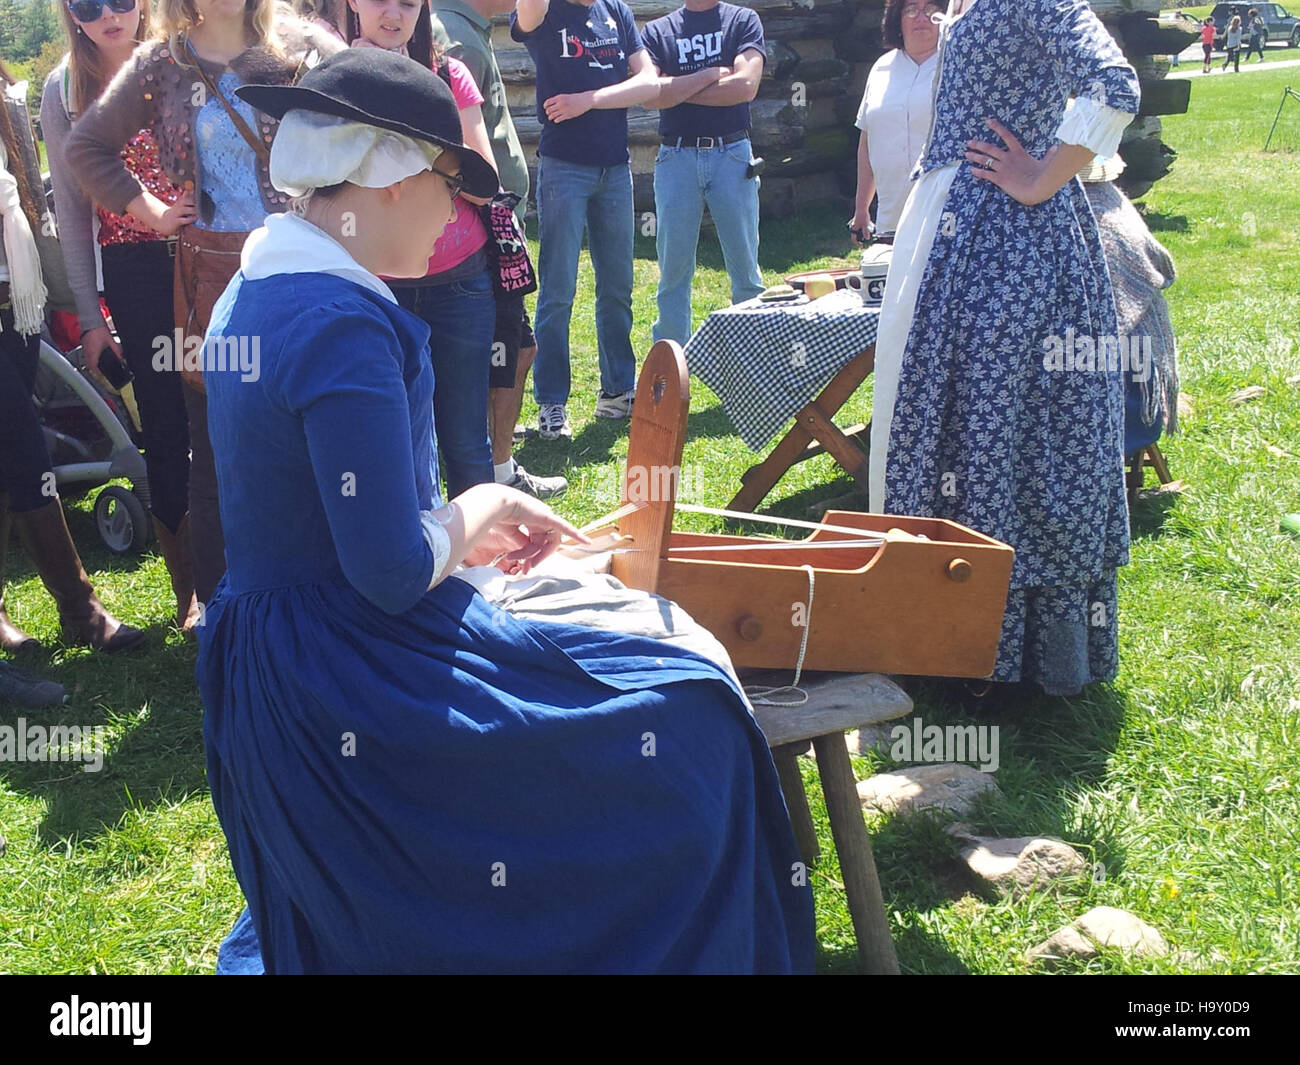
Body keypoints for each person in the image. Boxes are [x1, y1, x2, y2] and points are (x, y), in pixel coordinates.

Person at [198, 47, 814, 973]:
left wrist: (465, 526)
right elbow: (390, 572)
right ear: (394, 183)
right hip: (339, 671)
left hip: (271, 660)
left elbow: (332, 520)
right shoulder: (339, 326)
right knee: (688, 725)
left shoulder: (256, 290)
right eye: (451, 189)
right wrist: (483, 499)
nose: (457, 219)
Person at [868, 0, 1140, 699]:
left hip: (1007, 251)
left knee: (1001, 433)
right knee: (957, 433)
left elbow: (1115, 82)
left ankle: (1000, 658)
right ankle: (956, 640)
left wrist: (1043, 174)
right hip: (961, 241)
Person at [66, 0, 344, 610]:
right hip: (210, 280)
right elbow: (86, 148)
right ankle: (227, 616)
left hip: (304, 267)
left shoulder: (304, 47)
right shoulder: (159, 64)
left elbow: (364, 123)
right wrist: (155, 212)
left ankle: (318, 603)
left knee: (312, 435)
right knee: (215, 457)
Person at [42, 0, 201, 632]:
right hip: (133, 272)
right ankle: (191, 592)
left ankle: (249, 573)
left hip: (210, 255)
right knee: (164, 425)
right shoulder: (64, 89)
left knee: (230, 409)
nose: (108, 14)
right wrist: (90, 317)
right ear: (70, 15)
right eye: (88, 4)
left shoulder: (182, 57)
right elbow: (75, 221)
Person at [1, 55, 144, 657]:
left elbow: (27, 191)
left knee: (12, 452)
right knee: (24, 445)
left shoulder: (5, 92)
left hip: (18, 292)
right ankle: (79, 608)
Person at [345, 0, 499, 499]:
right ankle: (411, 564)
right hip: (375, 283)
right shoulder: (335, 78)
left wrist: (414, 97)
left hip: (458, 281)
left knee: (465, 440)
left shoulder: (448, 73)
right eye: (378, 0)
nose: (393, 13)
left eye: (408, 2)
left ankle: (480, 570)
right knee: (389, 441)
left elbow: (484, 184)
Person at [430, 0, 567, 498]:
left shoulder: (469, 30)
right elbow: (460, 157)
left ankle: (495, 469)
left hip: (491, 222)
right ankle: (489, 474)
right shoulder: (456, 38)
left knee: (513, 348)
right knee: (504, 352)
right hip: (479, 230)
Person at [511, 0, 659, 440]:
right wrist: (595, 101)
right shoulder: (544, 12)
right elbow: (526, 13)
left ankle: (617, 392)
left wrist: (587, 101)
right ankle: (551, 403)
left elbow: (649, 83)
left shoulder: (616, 11)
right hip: (563, 168)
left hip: (615, 168)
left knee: (617, 287)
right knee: (558, 289)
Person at [640, 0, 765, 345]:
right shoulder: (657, 31)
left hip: (732, 153)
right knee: (673, 272)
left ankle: (750, 366)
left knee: (745, 271)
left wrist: (675, 89)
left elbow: (745, 87)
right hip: (676, 155)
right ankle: (671, 372)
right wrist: (709, 76)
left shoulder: (742, 20)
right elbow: (650, 96)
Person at [850, 0, 942, 245]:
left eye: (931, 9)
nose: (921, 17)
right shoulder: (881, 69)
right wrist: (862, 208)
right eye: (911, 9)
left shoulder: (956, 65)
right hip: (892, 218)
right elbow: (868, 143)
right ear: (897, 20)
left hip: (943, 216)